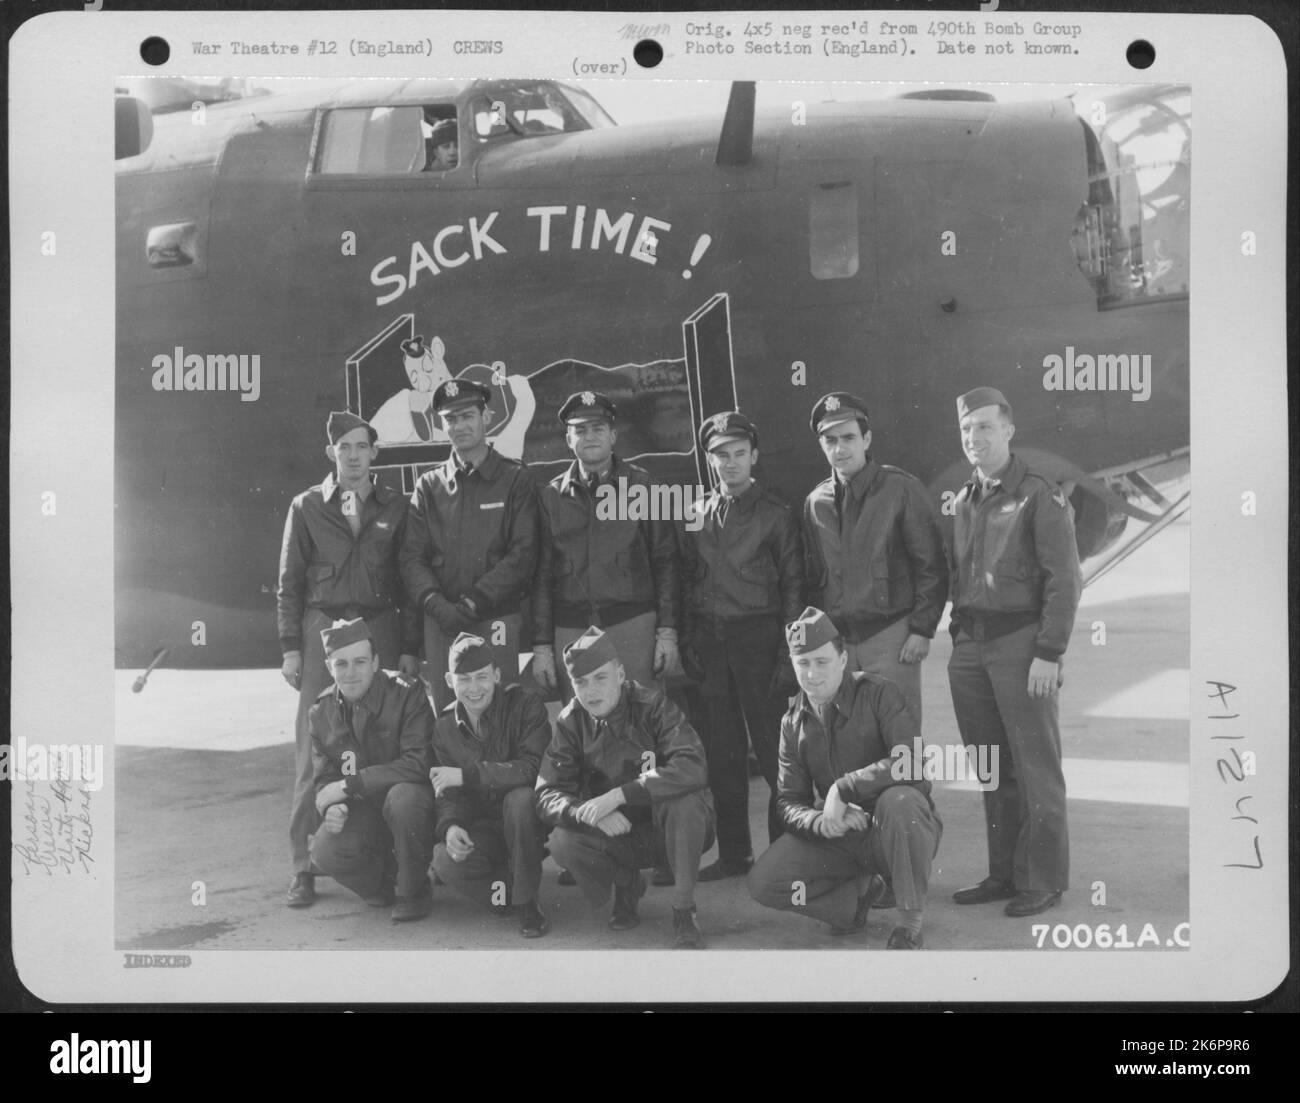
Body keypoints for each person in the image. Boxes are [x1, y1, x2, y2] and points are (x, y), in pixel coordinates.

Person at [947, 386, 1082, 918]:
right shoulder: (965, 498)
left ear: (1008, 430)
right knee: (991, 767)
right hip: (971, 648)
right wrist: (959, 634)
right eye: (966, 429)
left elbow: (1064, 580)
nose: (975, 438)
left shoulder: (1039, 496)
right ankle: (1003, 873)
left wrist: (1049, 652)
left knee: (1035, 767)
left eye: (984, 426)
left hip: (1022, 645)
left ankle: (1043, 878)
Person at [276, 411, 420, 908]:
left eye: (362, 447)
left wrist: (409, 647)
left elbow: (409, 578)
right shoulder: (307, 505)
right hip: (324, 630)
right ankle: (304, 865)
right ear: (331, 454)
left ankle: (396, 855)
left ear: (375, 453)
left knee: (387, 739)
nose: (353, 456)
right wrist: (292, 648)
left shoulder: (397, 505)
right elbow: (289, 583)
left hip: (379, 625)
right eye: (344, 448)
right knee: (312, 749)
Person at [746, 608, 942, 948]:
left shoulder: (880, 693)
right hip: (843, 837)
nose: (812, 674)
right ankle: (853, 903)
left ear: (843, 659)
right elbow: (788, 800)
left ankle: (910, 924)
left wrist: (843, 787)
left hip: (895, 829)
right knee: (765, 883)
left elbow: (911, 761)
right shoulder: (792, 722)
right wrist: (819, 822)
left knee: (900, 800)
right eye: (802, 663)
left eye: (822, 662)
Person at [680, 410, 803, 882]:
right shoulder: (696, 514)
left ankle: (781, 854)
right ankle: (735, 854)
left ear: (753, 455)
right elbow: (690, 581)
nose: (729, 464)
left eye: (737, 454)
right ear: (709, 460)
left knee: (776, 755)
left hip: (760, 639)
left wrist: (788, 655)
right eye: (720, 455)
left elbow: (794, 588)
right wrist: (690, 639)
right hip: (713, 646)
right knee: (723, 753)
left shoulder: (776, 515)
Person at [535, 627, 715, 948]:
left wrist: (618, 795)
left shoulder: (654, 706)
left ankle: (684, 909)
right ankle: (627, 884)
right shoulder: (570, 721)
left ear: (619, 674)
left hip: (665, 830)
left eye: (600, 678)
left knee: (686, 801)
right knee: (563, 841)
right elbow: (546, 793)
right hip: (614, 833)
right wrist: (586, 813)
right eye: (581, 682)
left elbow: (693, 765)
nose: (591, 691)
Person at [802, 392, 948, 724]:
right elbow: (815, 576)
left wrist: (923, 629)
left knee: (901, 738)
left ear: (866, 439)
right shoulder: (816, 502)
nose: (840, 448)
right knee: (855, 741)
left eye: (849, 437)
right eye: (830, 440)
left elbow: (932, 565)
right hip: (840, 642)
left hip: (891, 636)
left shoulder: (900, 489)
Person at [400, 378, 539, 713]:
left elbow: (522, 554)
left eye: (467, 416)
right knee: (450, 714)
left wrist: (472, 604)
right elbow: (411, 559)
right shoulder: (429, 486)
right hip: (442, 621)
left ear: (486, 417)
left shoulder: (515, 479)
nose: (459, 426)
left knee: (499, 712)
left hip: (495, 619)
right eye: (450, 419)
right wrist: (438, 606)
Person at [531, 391, 680, 698]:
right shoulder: (550, 497)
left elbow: (666, 562)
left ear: (613, 436)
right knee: (583, 724)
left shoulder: (642, 485)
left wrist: (667, 632)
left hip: (633, 626)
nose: (590, 437)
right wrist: (543, 646)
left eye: (598, 429)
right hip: (572, 630)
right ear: (568, 440)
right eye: (580, 430)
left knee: (641, 717)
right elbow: (542, 577)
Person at [308, 618, 436, 922]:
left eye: (360, 662)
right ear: (329, 667)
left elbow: (419, 763)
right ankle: (382, 884)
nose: (350, 672)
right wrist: (332, 809)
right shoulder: (320, 712)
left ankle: (413, 890)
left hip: (410, 803)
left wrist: (350, 785)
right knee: (325, 850)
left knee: (404, 798)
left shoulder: (407, 693)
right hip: (364, 809)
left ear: (376, 662)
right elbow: (325, 780)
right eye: (341, 664)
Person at [428, 632, 552, 938]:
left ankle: (526, 902)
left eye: (482, 677)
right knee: (444, 860)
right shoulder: (443, 728)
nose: (473, 688)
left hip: (528, 821)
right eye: (464, 679)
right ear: (448, 681)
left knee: (520, 798)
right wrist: (452, 826)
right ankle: (507, 889)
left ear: (497, 675)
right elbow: (450, 793)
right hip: (484, 826)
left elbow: (531, 769)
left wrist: (469, 774)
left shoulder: (526, 706)